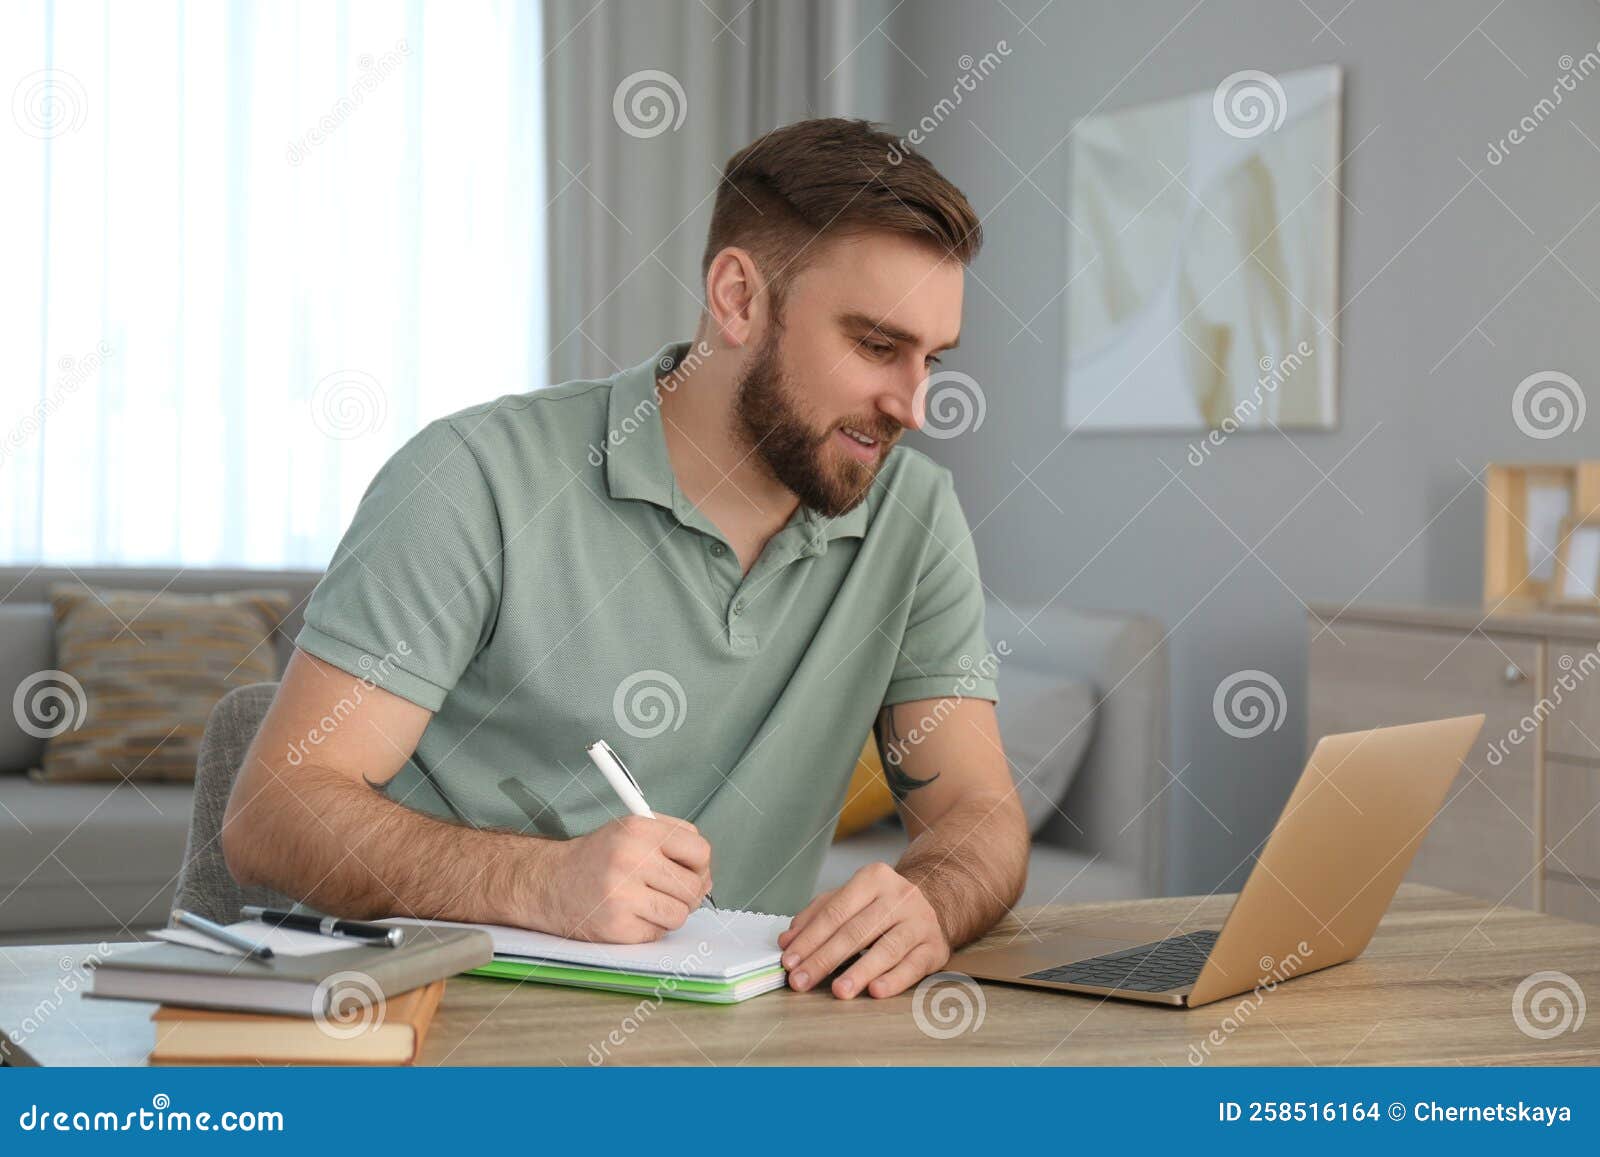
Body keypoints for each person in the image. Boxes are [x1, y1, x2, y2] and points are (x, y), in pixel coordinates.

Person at [223, 117, 1029, 1001]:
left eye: (931, 359)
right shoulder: (473, 478)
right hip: (449, 1028)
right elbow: (276, 811)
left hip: (742, 1046)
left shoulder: (912, 518)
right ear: (738, 299)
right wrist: (540, 882)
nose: (914, 405)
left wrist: (929, 901)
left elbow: (975, 815)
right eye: (877, 346)